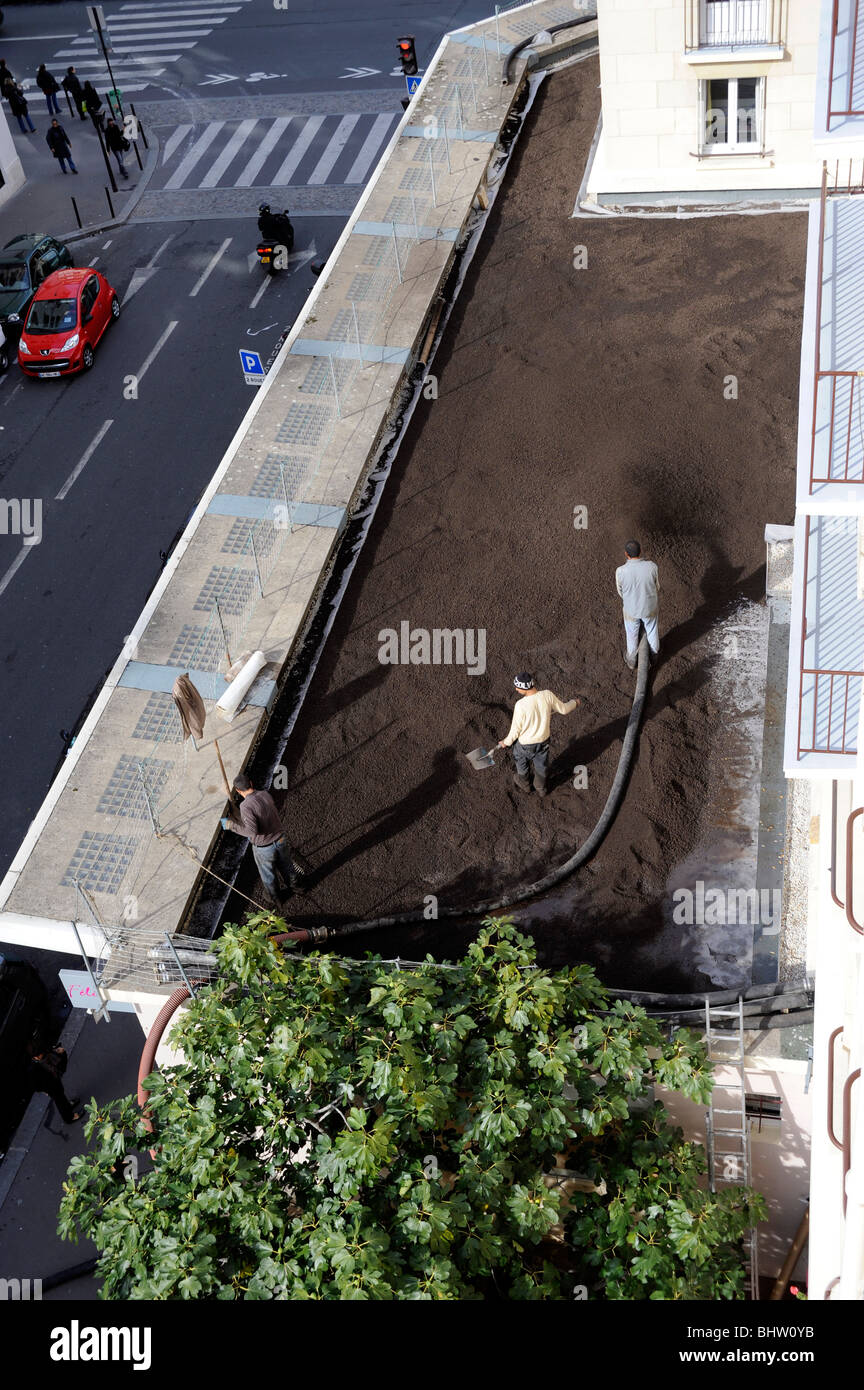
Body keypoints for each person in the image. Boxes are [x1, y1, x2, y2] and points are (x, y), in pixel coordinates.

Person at [221, 774, 305, 907]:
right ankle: (297, 887)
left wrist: (231, 825)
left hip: (265, 847)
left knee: (268, 875)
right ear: (251, 783)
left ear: (238, 791)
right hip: (280, 839)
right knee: (287, 866)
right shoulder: (265, 794)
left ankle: (275, 899)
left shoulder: (245, 806)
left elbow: (252, 831)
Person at [498, 673, 580, 796]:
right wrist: (575, 702)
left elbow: (515, 730)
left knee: (520, 760)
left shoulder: (520, 705)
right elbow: (564, 709)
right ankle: (541, 788)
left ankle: (525, 784)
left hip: (525, 744)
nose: (516, 689)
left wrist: (506, 742)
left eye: (517, 687)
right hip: (543, 742)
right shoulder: (547, 695)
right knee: (541, 764)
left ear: (524, 687)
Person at [615, 539, 660, 669]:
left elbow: (621, 592)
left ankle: (631, 659)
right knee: (651, 630)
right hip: (650, 608)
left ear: (626, 554)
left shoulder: (620, 571)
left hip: (631, 611)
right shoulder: (652, 566)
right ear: (640, 552)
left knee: (631, 633)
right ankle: (654, 655)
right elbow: (657, 587)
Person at [26, 1040, 82, 1125]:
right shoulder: (33, 1069)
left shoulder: (42, 1056)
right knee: (60, 1101)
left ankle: (68, 1106)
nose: (43, 1054)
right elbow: (35, 1086)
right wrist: (45, 1091)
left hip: (54, 1080)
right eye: (40, 1054)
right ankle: (69, 1117)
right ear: (35, 1057)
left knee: (61, 1095)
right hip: (50, 1087)